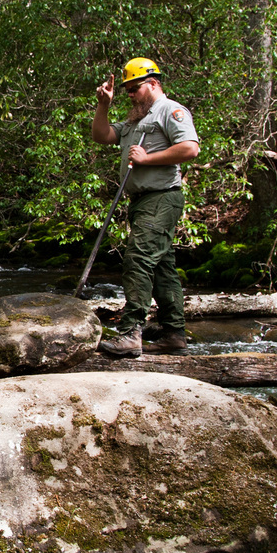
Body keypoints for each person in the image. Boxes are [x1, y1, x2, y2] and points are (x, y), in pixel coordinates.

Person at [90, 58, 200, 358]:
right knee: (163, 268)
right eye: (127, 90)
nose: (131, 95)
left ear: (154, 84)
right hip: (141, 201)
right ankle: (174, 335)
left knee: (138, 258)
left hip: (162, 197)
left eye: (135, 88)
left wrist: (147, 159)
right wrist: (104, 105)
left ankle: (131, 334)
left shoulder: (170, 110)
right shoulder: (135, 119)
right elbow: (101, 136)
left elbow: (190, 148)